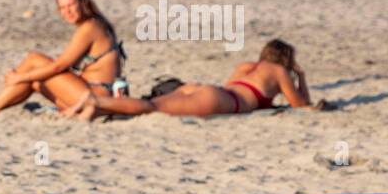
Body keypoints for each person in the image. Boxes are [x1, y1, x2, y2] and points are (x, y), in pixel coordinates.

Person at [0, 0, 124, 114]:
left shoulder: (90, 27)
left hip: (94, 98)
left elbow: (59, 66)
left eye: (71, 5)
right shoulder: (95, 23)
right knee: (36, 83)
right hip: (87, 95)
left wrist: (19, 77)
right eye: (62, 8)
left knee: (35, 59)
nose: (67, 11)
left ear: (83, 3)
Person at [66, 39, 322, 120]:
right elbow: (300, 105)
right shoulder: (278, 72)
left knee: (149, 105)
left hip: (205, 89)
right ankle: (93, 100)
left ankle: (95, 108)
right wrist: (300, 77)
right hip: (223, 100)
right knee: (151, 109)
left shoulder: (247, 65)